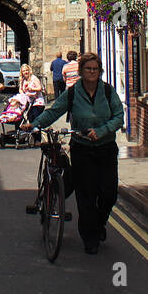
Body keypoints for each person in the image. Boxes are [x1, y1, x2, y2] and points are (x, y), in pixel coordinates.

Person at [24, 52, 124, 254]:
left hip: (105, 148)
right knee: (86, 195)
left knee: (109, 192)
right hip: (81, 148)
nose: (92, 72)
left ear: (100, 71)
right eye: (88, 69)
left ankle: (98, 224)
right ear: (81, 71)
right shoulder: (72, 93)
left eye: (95, 69)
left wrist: (102, 130)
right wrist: (33, 125)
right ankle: (90, 238)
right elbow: (53, 112)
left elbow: (119, 116)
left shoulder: (107, 91)